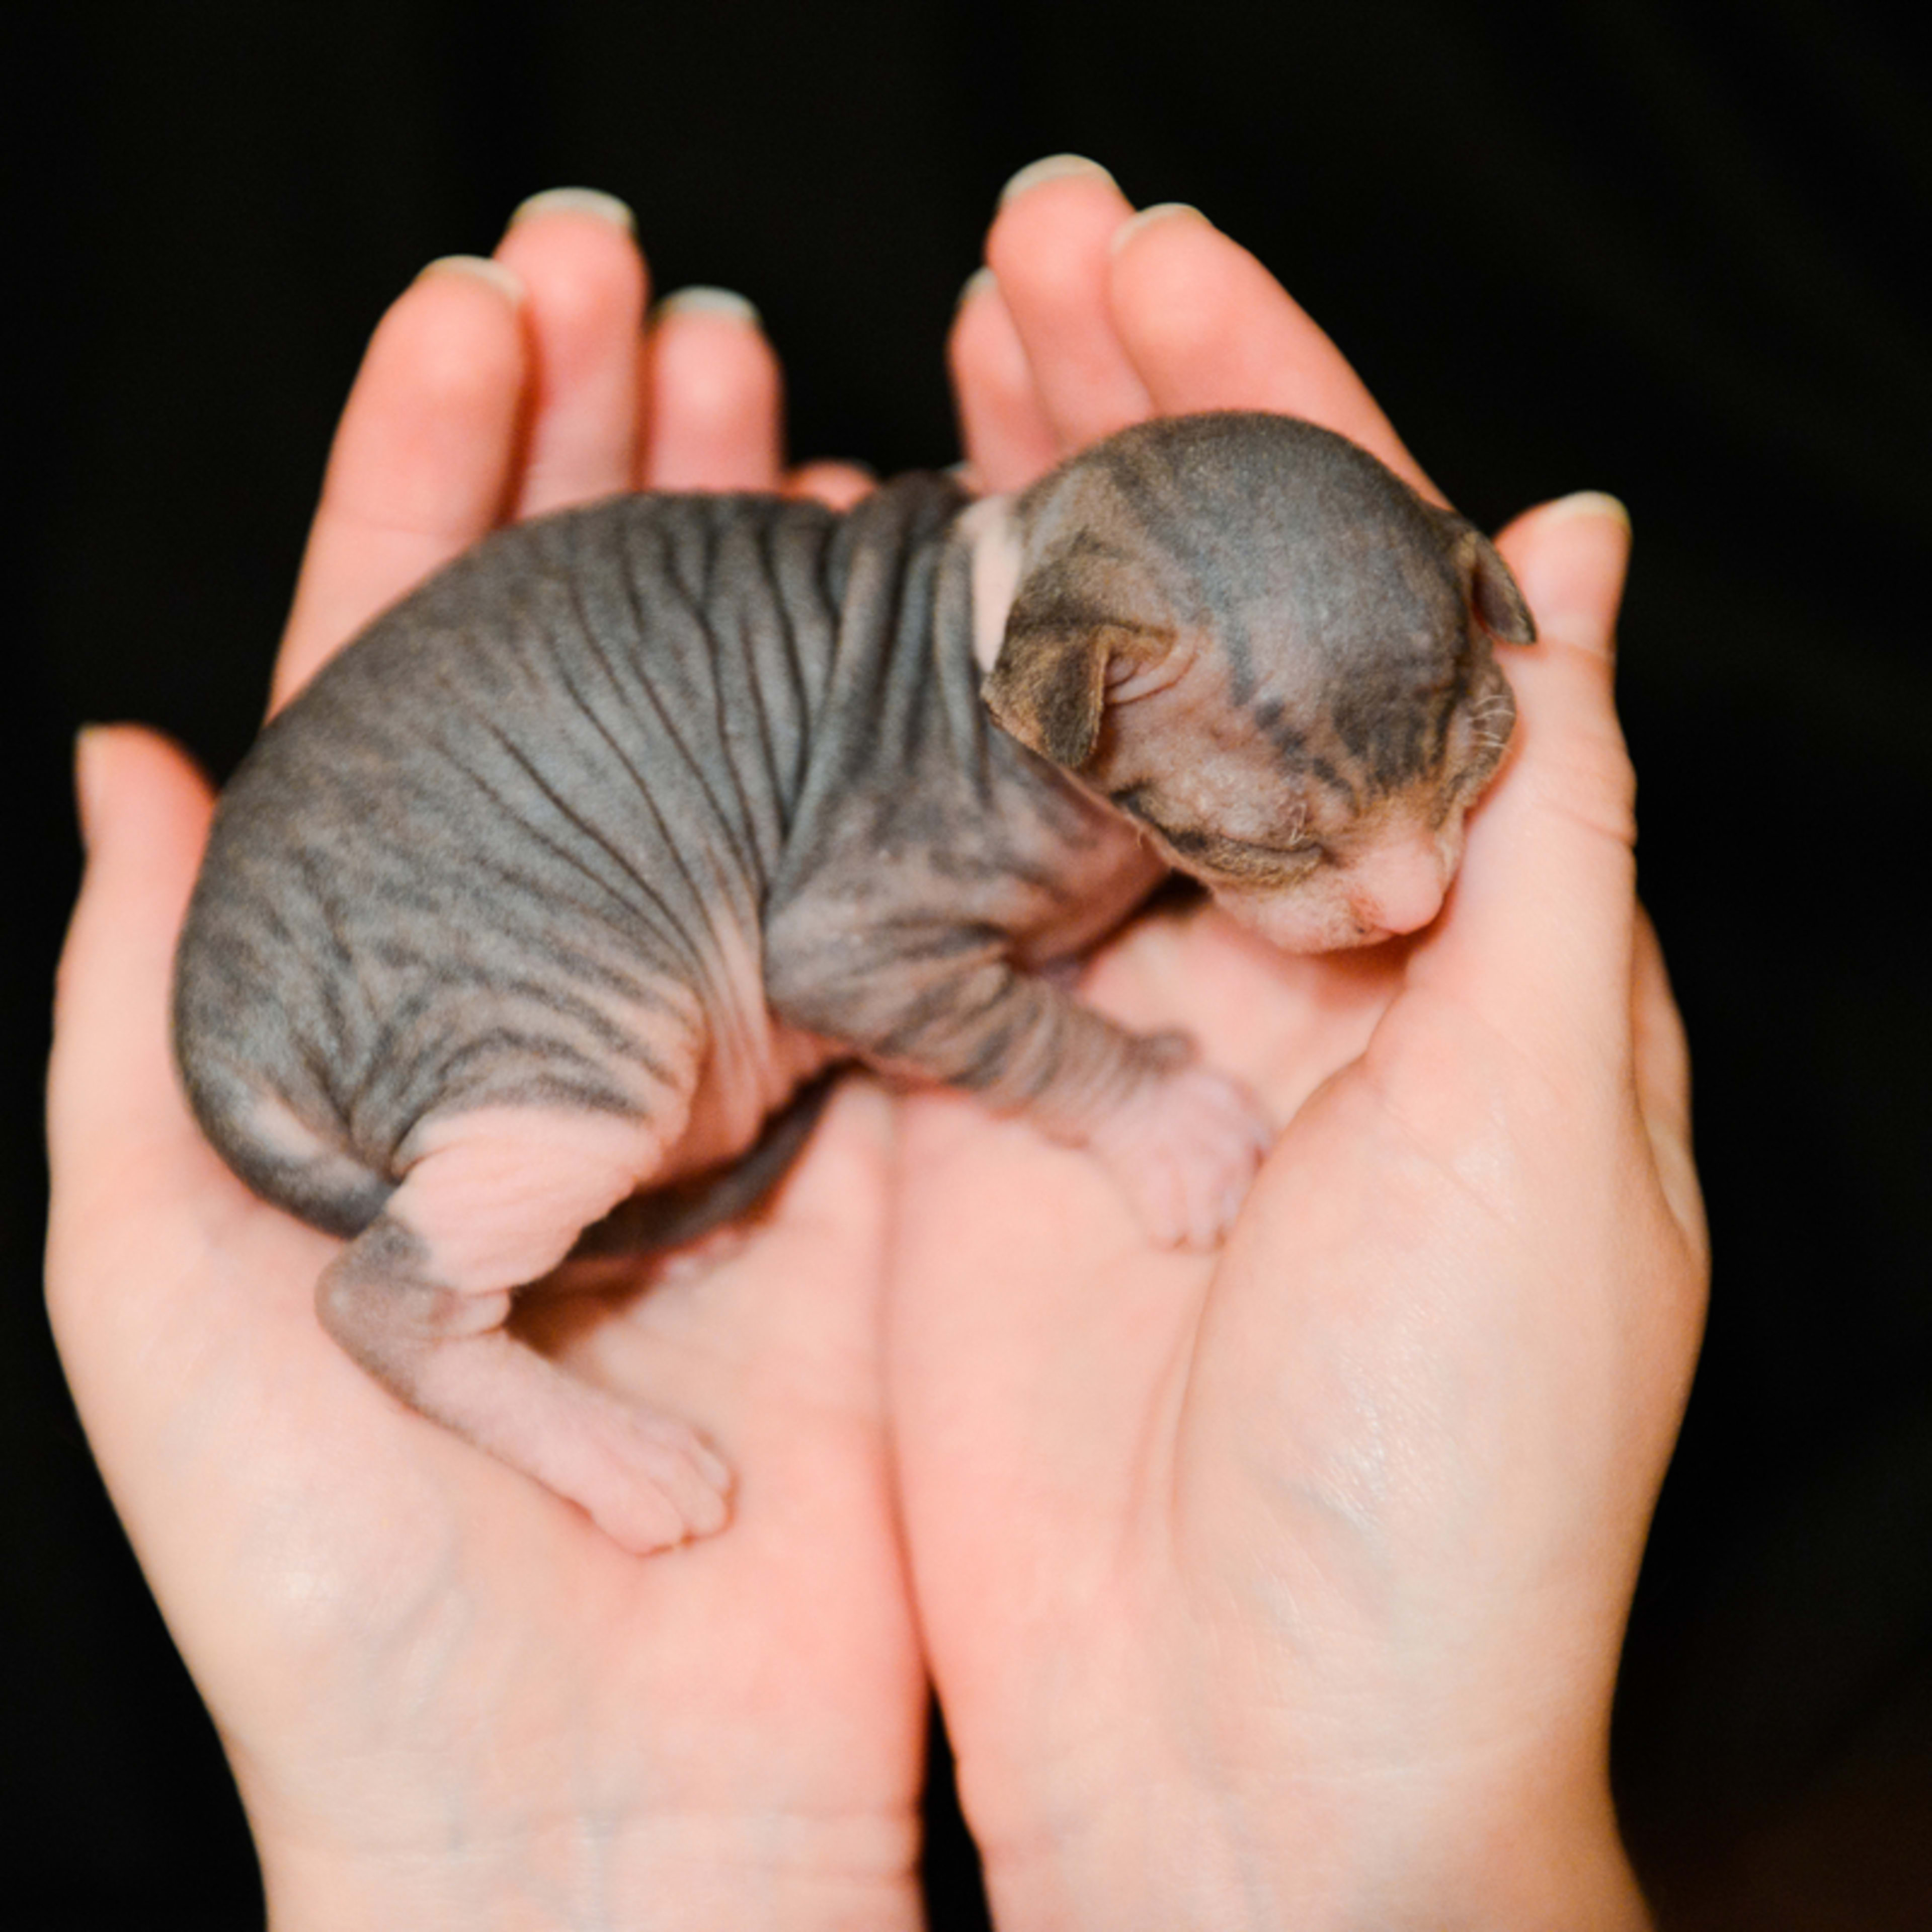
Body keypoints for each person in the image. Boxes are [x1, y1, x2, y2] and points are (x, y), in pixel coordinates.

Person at [46, 160, 1708, 1929]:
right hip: (444, 915)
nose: (1412, 884)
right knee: (585, 1083)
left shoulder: (1080, 673)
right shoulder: (1018, 723)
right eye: (1291, 840)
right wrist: (1114, 1088)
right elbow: (847, 955)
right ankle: (426, 1308)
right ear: (1072, 695)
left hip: (498, 846)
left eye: (1456, 760)